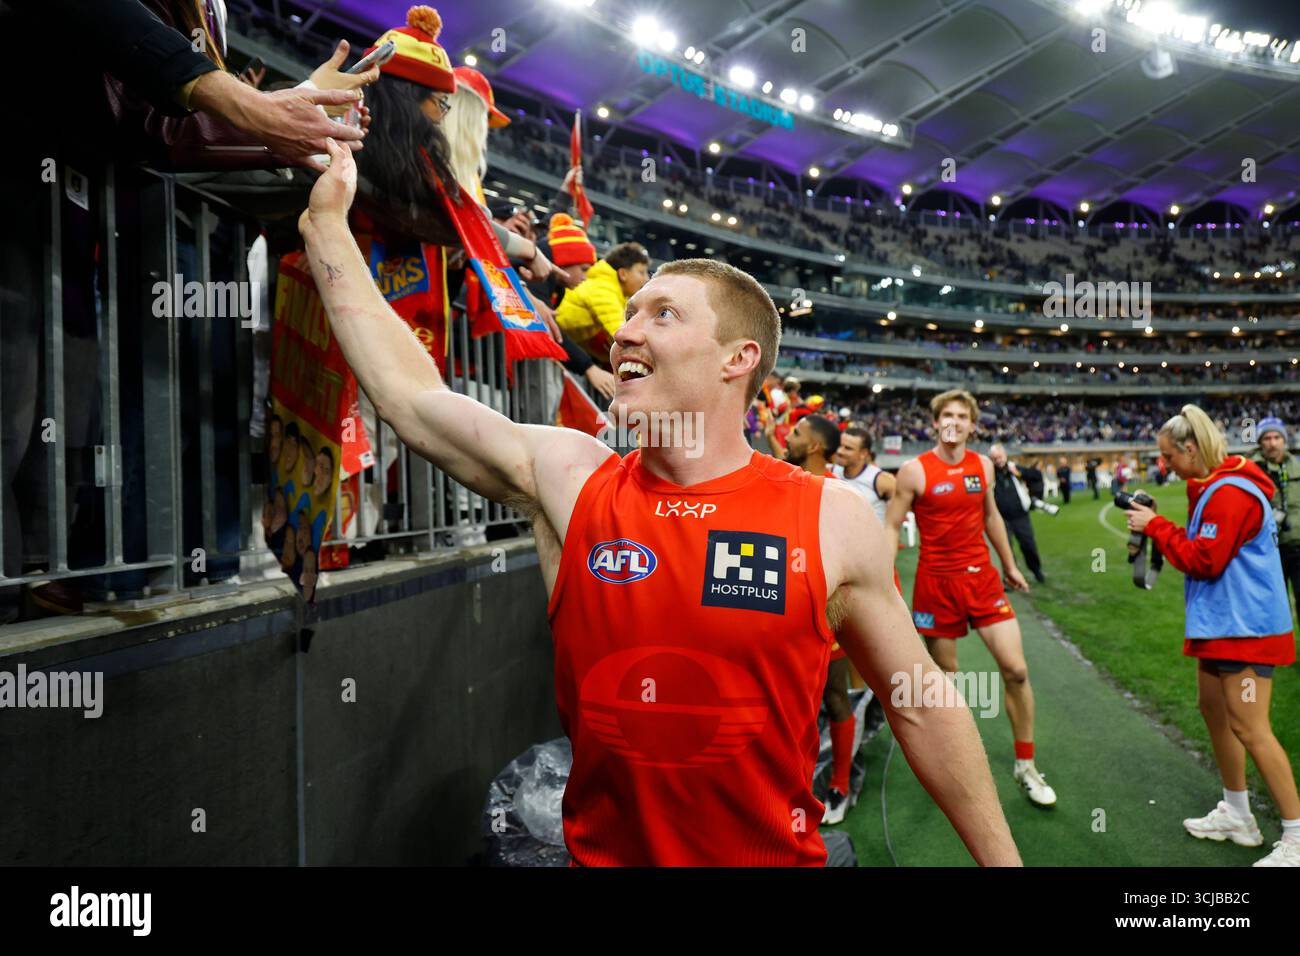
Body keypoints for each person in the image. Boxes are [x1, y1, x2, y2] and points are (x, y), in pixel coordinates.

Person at [298, 138, 1021, 866]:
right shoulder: (570, 474)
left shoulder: (830, 517)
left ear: (737, 359)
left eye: (662, 315)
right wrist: (327, 224)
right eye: (630, 313)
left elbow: (919, 703)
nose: (624, 332)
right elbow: (412, 398)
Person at [1125, 405, 1299, 866]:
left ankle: (1297, 838)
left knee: (1250, 727)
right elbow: (1206, 546)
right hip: (1223, 622)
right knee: (1214, 712)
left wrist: (1155, 528)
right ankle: (1237, 815)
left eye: (1169, 456)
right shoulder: (1215, 484)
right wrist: (1161, 525)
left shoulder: (1231, 492)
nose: (1165, 466)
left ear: (1190, 448)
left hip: (1246, 626)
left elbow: (1204, 559)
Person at [885, 389, 1057, 807]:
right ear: (935, 422)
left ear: (972, 425)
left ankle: (1026, 765)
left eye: (963, 416)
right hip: (935, 584)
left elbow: (992, 517)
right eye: (947, 414)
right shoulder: (913, 471)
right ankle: (952, 760)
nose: (955, 422)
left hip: (983, 581)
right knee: (947, 679)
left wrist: (1010, 565)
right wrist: (885, 579)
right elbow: (891, 527)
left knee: (1015, 670)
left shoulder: (982, 466)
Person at [772, 415, 858, 825]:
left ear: (814, 448)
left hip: (827, 617)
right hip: (781, 615)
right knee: (786, 707)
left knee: (834, 697)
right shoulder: (778, 480)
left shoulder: (838, 495)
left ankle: (840, 783)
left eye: (795, 434)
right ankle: (787, 787)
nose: (786, 437)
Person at [553, 242, 651, 365]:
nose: (646, 279)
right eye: (641, 272)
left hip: (559, 340)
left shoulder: (617, 294)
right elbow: (621, 332)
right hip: (549, 336)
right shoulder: (603, 288)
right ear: (623, 274)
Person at [1251, 417, 1300, 624]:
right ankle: (1277, 654)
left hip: (1298, 545)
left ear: (1284, 440)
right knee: (1272, 607)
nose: (1272, 443)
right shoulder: (1251, 470)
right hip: (1267, 550)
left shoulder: (1297, 466)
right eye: (1267, 438)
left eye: (1277, 437)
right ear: (1260, 442)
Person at [990, 444, 1045, 584]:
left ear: (1005, 456)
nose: (998, 460)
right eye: (995, 458)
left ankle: (1036, 570)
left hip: (1020, 515)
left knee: (1028, 545)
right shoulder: (990, 473)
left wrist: (1019, 473)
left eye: (1000, 457)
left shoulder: (1015, 469)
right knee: (1006, 549)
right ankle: (1011, 577)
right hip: (1002, 519)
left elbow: (1036, 476)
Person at [832, 426, 895, 527]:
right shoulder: (831, 472)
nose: (840, 451)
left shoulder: (881, 480)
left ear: (863, 453)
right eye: (840, 445)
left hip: (871, 541)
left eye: (848, 448)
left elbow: (897, 518)